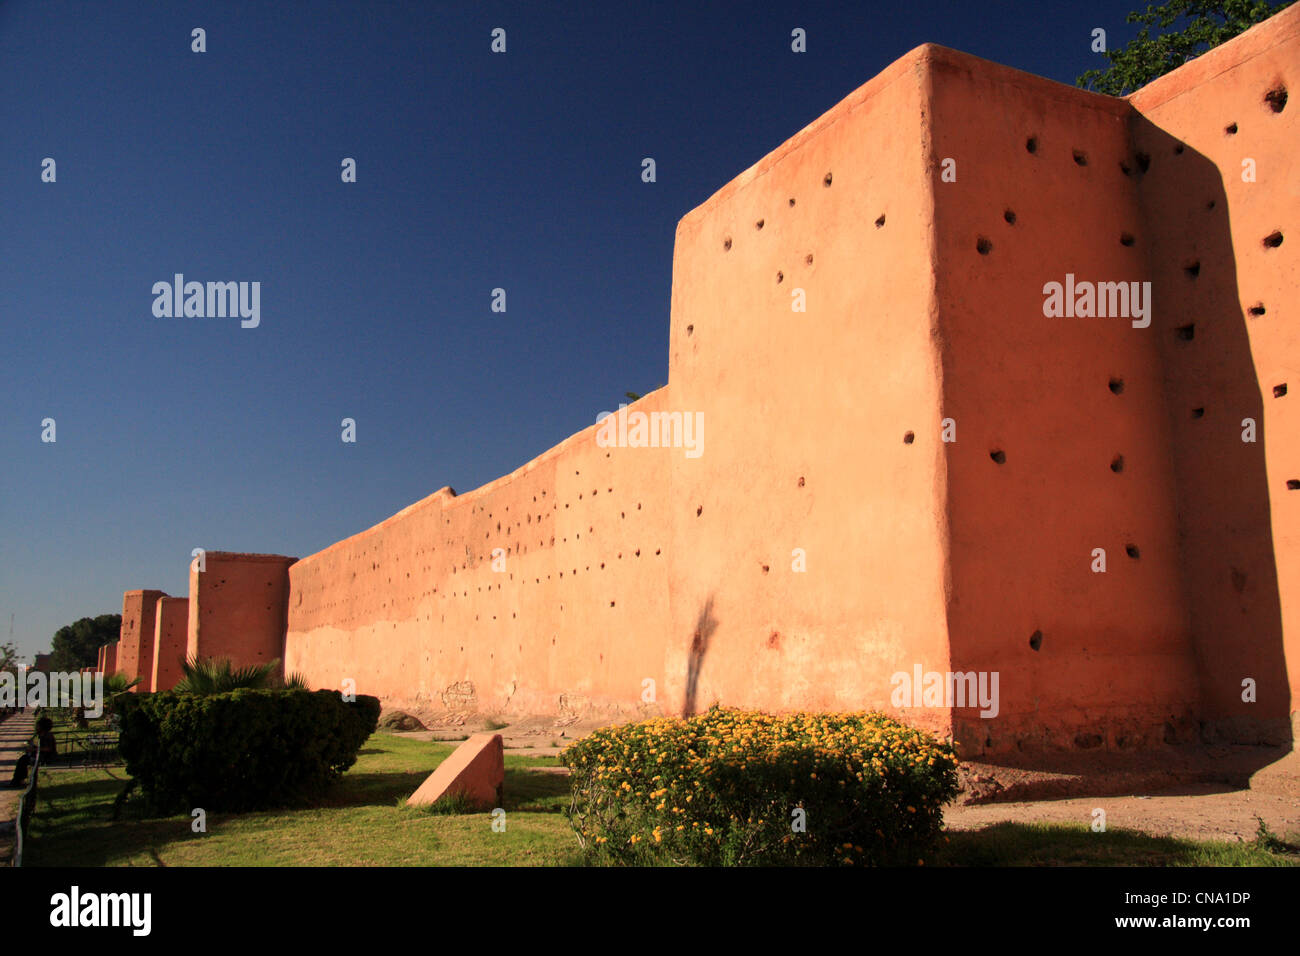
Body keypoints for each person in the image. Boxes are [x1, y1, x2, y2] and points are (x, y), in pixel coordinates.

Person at [8, 716, 56, 788]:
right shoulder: (43, 735)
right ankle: (18, 780)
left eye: (37, 726)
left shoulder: (47, 736)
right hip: (41, 756)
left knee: (23, 760)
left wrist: (34, 749)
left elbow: (48, 749)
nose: (36, 727)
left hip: (46, 758)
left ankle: (18, 781)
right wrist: (33, 747)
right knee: (23, 759)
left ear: (42, 727)